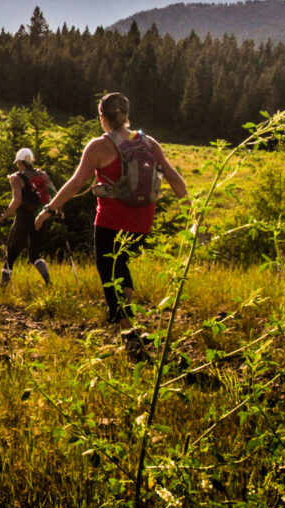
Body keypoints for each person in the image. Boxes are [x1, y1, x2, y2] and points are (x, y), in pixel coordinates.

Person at [34, 92, 187, 342]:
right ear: (126, 115)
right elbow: (172, 176)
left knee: (108, 270)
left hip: (111, 221)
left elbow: (75, 184)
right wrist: (192, 211)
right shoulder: (148, 142)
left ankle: (129, 332)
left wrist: (49, 209)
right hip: (142, 222)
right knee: (121, 263)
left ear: (101, 117)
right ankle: (128, 320)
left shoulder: (99, 146)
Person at [0, 147, 54, 288]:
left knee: (11, 255)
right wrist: (58, 211)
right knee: (34, 255)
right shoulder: (42, 174)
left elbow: (17, 201)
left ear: (19, 162)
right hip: (41, 217)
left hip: (23, 220)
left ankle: (2, 288)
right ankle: (49, 283)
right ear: (31, 161)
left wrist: (3, 217)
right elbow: (54, 194)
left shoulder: (16, 178)